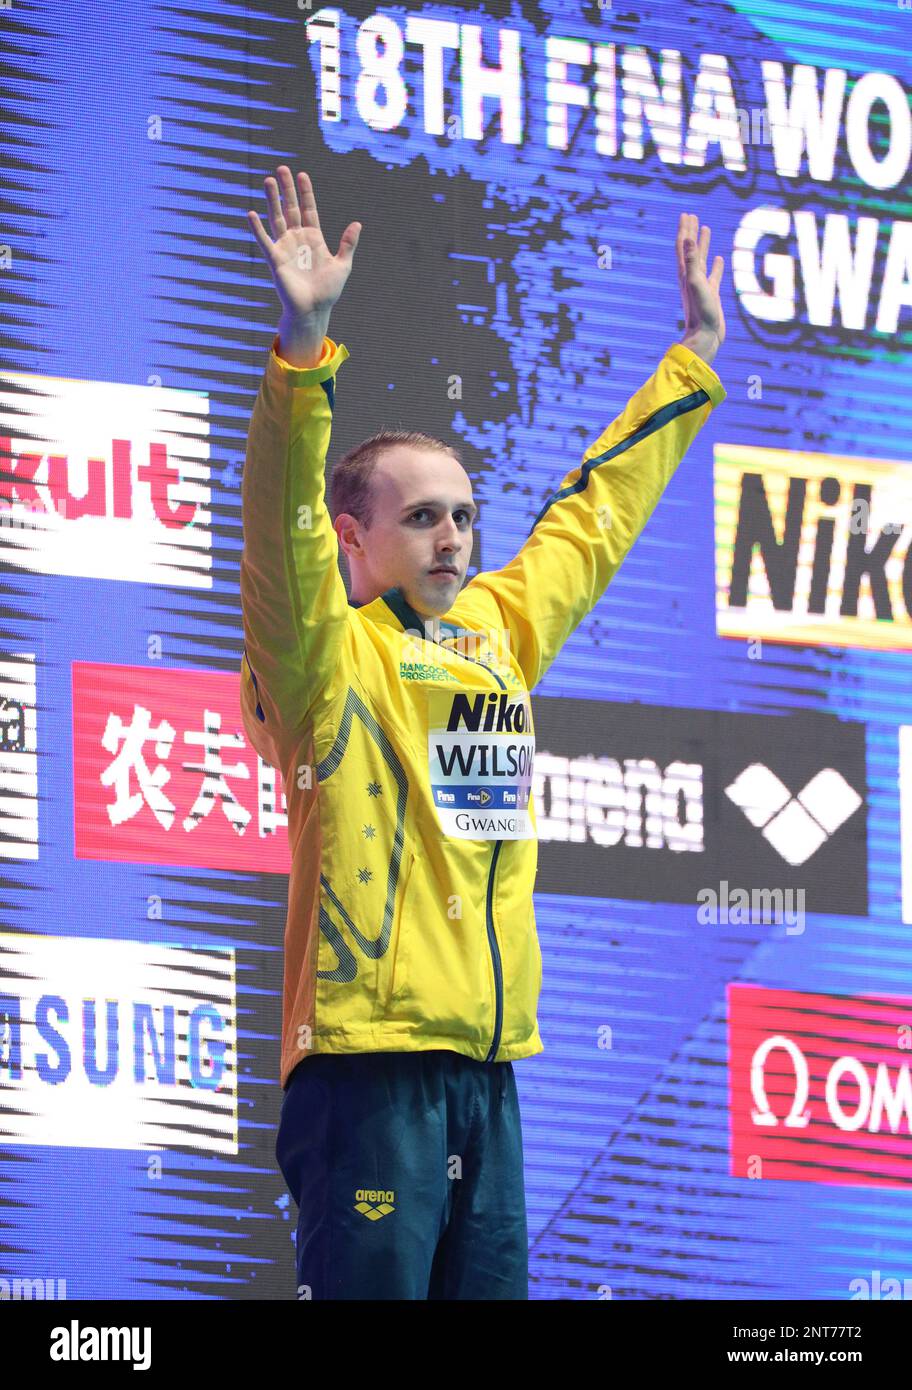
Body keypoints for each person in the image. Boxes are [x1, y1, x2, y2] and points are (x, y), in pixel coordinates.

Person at [239, 164, 726, 1300]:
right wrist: (303, 351)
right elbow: (279, 530)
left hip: (485, 1073)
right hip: (369, 1071)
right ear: (352, 540)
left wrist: (691, 359)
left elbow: (593, 517)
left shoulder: (498, 632)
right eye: (422, 517)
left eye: (464, 515)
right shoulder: (325, 655)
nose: (454, 538)